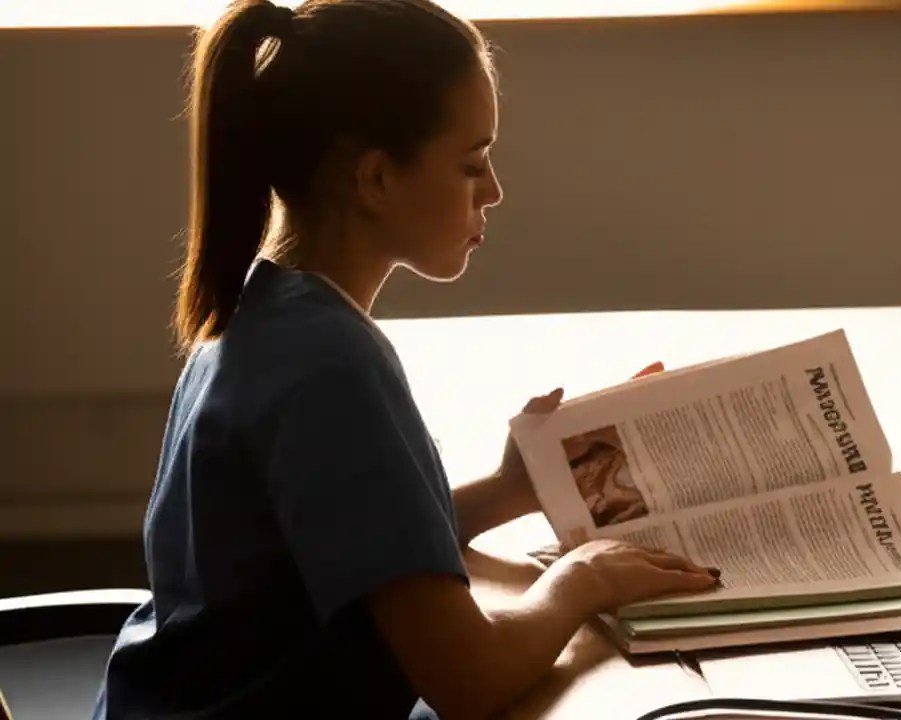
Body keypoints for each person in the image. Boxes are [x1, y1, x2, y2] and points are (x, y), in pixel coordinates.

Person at [91, 2, 718, 718]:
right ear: (376, 179)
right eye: (472, 163)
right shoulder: (331, 367)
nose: (495, 191)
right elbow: (469, 681)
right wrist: (579, 581)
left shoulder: (262, 315)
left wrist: (513, 488)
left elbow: (347, 543)